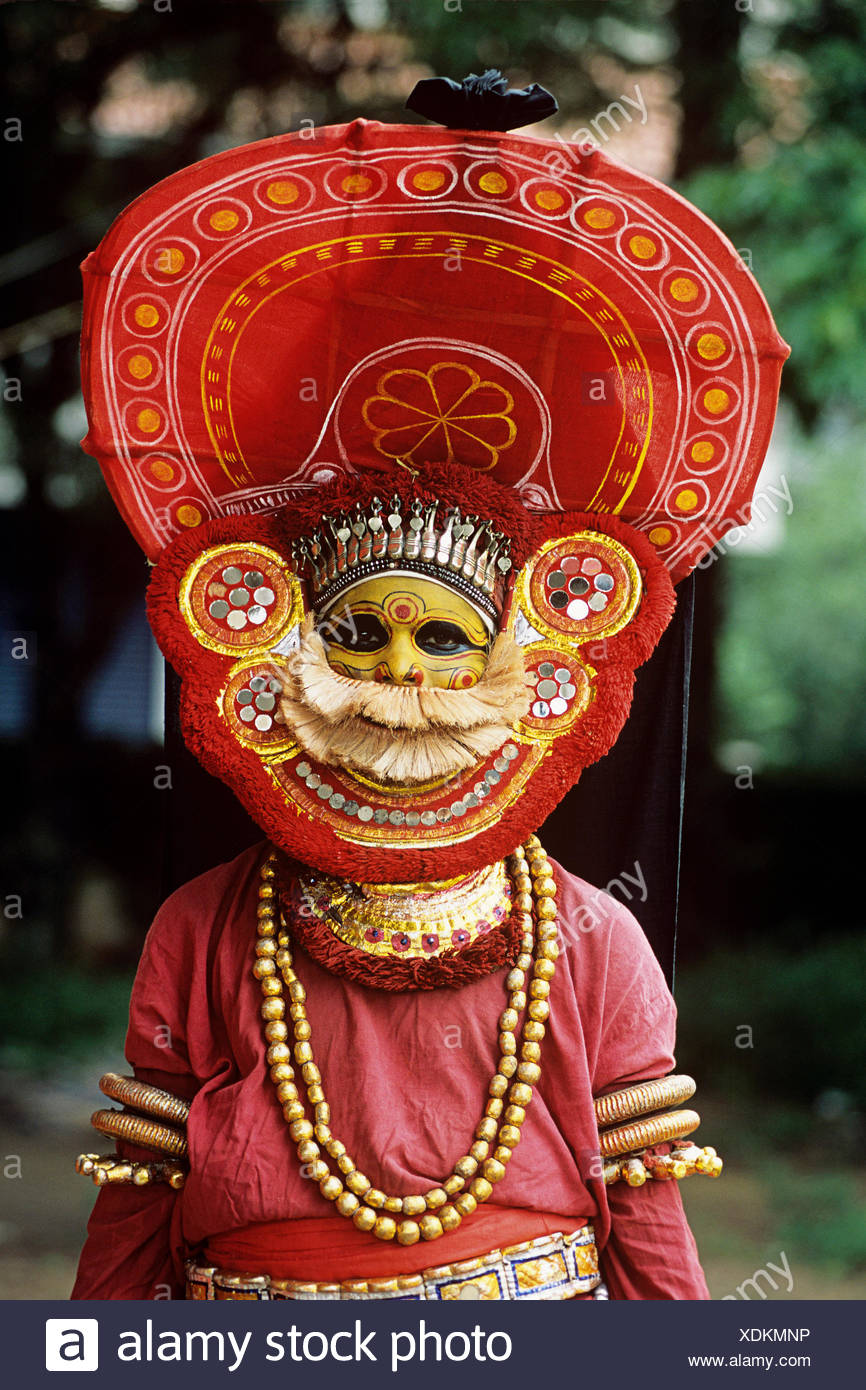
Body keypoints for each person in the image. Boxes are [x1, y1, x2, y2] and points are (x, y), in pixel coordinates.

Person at [71, 73, 787, 1302]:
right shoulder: (200, 930)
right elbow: (131, 1225)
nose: (400, 671)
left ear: (534, 672)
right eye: (357, 633)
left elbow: (646, 1228)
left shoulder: (592, 939)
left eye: (445, 642)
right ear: (271, 650)